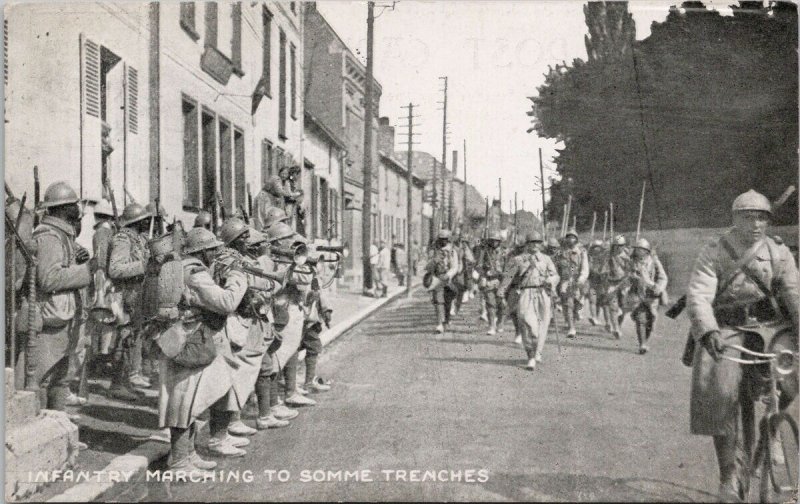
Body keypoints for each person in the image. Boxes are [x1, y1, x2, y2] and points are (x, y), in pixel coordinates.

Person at [686, 189, 799, 502]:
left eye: (762, 218)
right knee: (718, 389)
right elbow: (699, 295)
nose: (756, 224)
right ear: (735, 219)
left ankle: (773, 429)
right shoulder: (714, 250)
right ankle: (729, 477)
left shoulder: (779, 252)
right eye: (749, 217)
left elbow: (794, 294)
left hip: (771, 328)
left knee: (792, 376)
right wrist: (708, 330)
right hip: (728, 328)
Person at [156, 227, 246, 475]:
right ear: (202, 251)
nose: (215, 254)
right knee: (183, 402)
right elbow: (226, 302)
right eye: (212, 250)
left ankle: (189, 455)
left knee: (190, 401)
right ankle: (179, 463)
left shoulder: (184, 267)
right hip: (188, 340)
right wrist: (238, 277)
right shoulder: (195, 273)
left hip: (183, 337)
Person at [25, 182, 95, 421]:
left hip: (63, 316)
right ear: (64, 208)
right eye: (74, 204)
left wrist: (79, 258)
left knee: (61, 379)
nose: (78, 208)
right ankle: (41, 427)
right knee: (44, 378)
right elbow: (49, 278)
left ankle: (57, 425)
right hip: (51, 318)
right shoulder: (49, 236)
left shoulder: (62, 234)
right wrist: (86, 271)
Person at [212, 218, 280, 440]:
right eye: (242, 238)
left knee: (249, 368)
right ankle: (231, 422)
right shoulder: (227, 259)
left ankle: (234, 421)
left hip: (245, 317)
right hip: (234, 319)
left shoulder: (237, 258)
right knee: (237, 370)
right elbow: (242, 283)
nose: (247, 241)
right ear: (233, 240)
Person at [107, 202, 153, 400]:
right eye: (144, 220)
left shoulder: (138, 239)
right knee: (123, 340)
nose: (147, 223)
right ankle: (117, 384)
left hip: (135, 295)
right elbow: (115, 269)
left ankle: (124, 382)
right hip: (123, 295)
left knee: (131, 340)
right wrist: (143, 265)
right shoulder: (123, 239)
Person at [498, 232, 559, 370]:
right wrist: (501, 291)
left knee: (543, 324)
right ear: (527, 244)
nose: (535, 245)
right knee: (526, 322)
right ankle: (530, 355)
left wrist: (551, 280)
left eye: (538, 242)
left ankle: (537, 352)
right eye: (532, 242)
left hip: (542, 293)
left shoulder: (546, 259)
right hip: (525, 293)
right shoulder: (518, 259)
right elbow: (508, 277)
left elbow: (555, 275)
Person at [627, 238, 668, 354]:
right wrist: (632, 277)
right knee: (640, 319)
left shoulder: (654, 262)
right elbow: (626, 275)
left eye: (641, 249)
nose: (638, 251)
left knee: (650, 320)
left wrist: (659, 287)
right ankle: (642, 344)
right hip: (637, 294)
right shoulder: (631, 262)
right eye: (637, 249)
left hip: (651, 295)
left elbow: (663, 277)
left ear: (646, 251)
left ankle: (645, 340)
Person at [555, 228, 589, 338]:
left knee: (577, 305)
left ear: (576, 239)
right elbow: (556, 267)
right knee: (568, 304)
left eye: (573, 237)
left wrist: (581, 279)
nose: (570, 240)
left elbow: (585, 268)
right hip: (565, 281)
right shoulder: (560, 252)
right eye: (569, 237)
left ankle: (573, 320)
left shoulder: (582, 252)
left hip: (578, 280)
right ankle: (571, 327)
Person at [425, 229, 460, 333]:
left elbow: (455, 266)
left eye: (445, 239)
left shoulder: (452, 251)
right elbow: (428, 266)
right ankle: (439, 324)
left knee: (447, 301)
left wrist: (448, 275)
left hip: (449, 279)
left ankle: (446, 319)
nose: (443, 241)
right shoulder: (433, 251)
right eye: (441, 239)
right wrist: (434, 261)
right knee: (438, 301)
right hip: (437, 278)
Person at [476, 230, 506, 335]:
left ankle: (500, 322)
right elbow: (478, 266)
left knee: (502, 305)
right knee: (490, 304)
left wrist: (502, 273)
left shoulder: (504, 252)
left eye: (496, 241)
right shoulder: (484, 252)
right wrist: (483, 274)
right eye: (492, 240)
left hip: (501, 281)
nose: (494, 243)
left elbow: (509, 267)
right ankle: (491, 325)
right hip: (489, 280)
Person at [600, 235, 630, 339]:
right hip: (611, 283)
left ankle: (618, 325)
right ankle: (616, 328)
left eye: (621, 246)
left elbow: (631, 269)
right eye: (616, 246)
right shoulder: (608, 256)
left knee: (624, 307)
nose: (618, 248)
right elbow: (603, 270)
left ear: (624, 246)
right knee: (613, 306)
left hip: (624, 283)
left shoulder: (628, 256)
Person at [586, 239, 607, 328]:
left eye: (598, 248)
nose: (596, 250)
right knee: (593, 301)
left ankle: (596, 317)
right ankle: (594, 317)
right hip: (592, 282)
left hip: (601, 283)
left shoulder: (604, 259)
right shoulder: (589, 258)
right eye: (595, 248)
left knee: (598, 302)